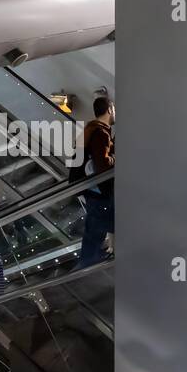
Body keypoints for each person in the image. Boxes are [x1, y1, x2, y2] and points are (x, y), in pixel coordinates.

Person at [76, 96, 115, 268]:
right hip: (98, 190)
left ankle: (87, 260)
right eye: (114, 110)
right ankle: (87, 262)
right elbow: (103, 165)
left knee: (94, 228)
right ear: (109, 110)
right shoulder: (101, 133)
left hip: (91, 189)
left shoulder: (90, 129)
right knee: (100, 225)